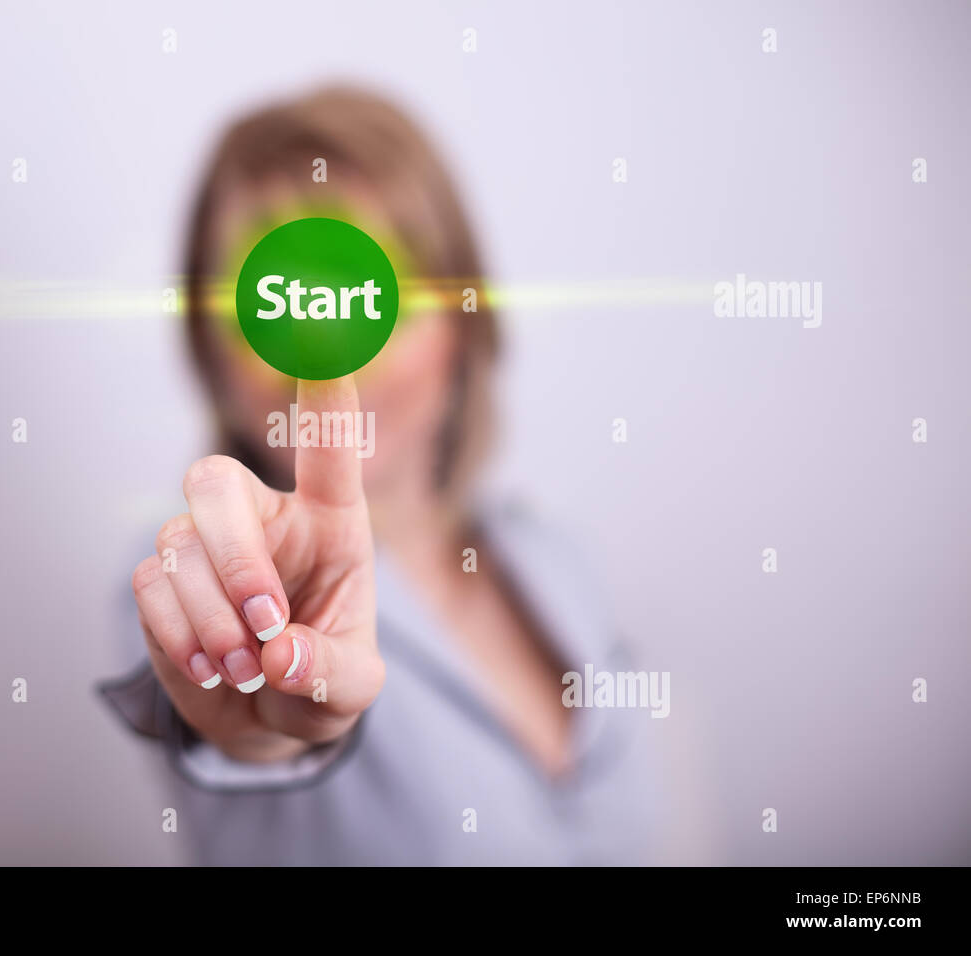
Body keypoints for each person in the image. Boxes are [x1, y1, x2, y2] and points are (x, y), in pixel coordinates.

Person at [102, 86, 659, 864]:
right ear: (212, 355)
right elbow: (243, 733)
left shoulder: (556, 557)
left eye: (370, 291)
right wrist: (266, 717)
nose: (329, 346)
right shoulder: (189, 574)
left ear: (462, 322)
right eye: (279, 295)